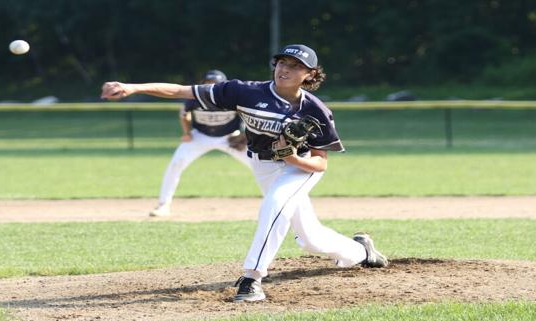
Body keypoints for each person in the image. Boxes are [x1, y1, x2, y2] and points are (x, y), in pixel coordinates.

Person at [102, 44, 388, 303]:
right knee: (311, 239)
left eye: (296, 66)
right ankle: (361, 251)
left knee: (275, 206)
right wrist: (132, 87)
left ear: (310, 74)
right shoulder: (245, 91)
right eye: (282, 63)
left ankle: (252, 278)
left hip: (299, 169)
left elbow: (321, 162)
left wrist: (291, 157)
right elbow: (181, 91)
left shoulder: (315, 111)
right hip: (261, 163)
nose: (286, 69)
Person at [149, 69, 254, 217]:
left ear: (223, 85)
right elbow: (184, 114)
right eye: (208, 83)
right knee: (176, 163)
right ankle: (163, 205)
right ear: (202, 85)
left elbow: (252, 116)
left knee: (258, 164)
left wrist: (244, 135)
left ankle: (276, 204)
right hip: (200, 136)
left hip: (230, 137)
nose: (211, 87)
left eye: (215, 84)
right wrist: (186, 133)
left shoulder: (233, 99)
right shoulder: (195, 98)